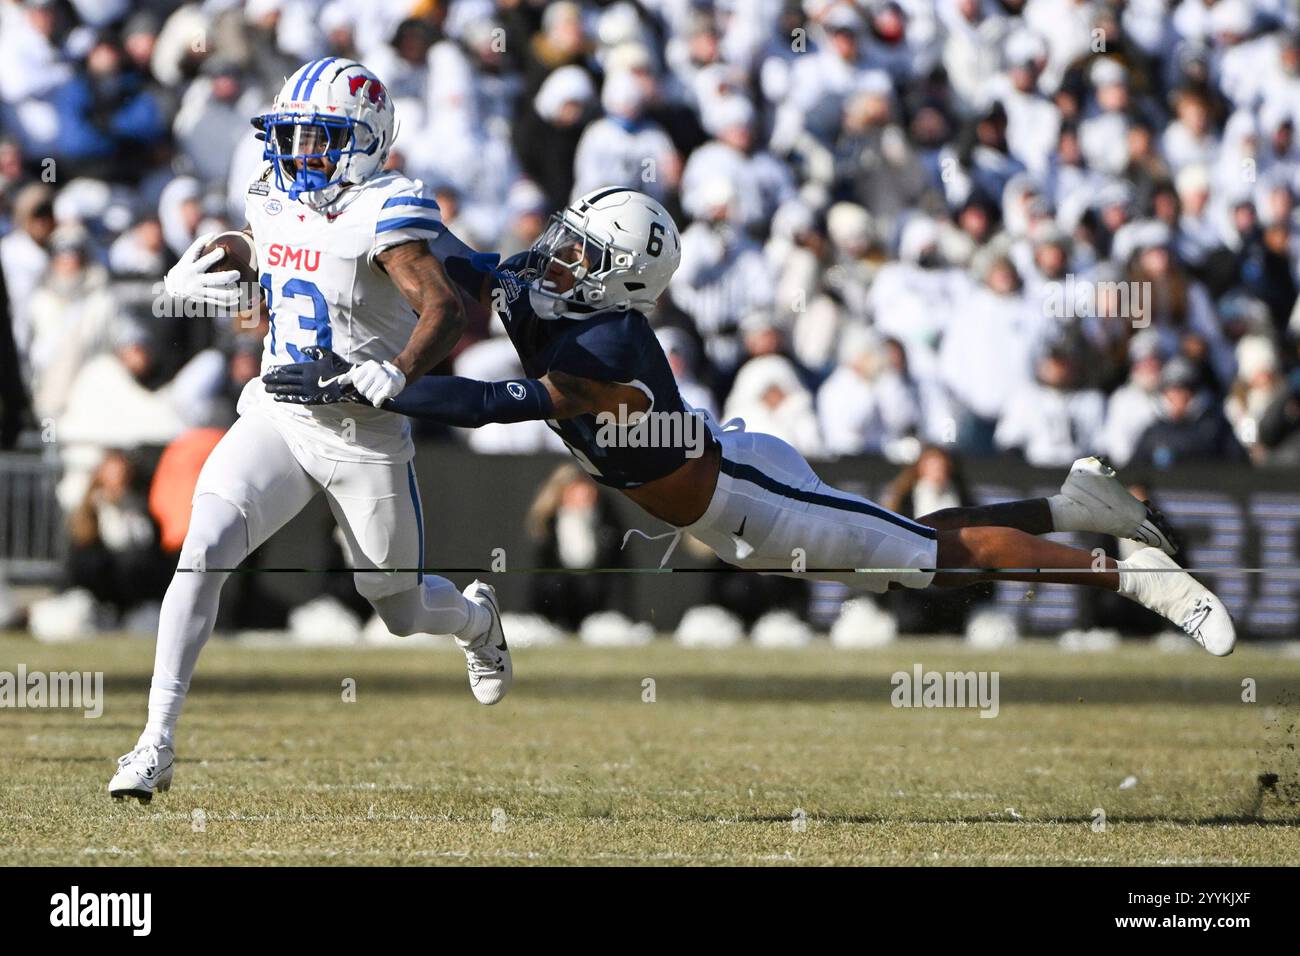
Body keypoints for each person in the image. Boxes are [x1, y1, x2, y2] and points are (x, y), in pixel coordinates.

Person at [266, 187, 1238, 669]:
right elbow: (466, 268)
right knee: (912, 545)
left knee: (934, 559)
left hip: (747, 499)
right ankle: (1074, 499)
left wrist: (380, 386)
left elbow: (488, 404)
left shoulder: (608, 348)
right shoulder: (550, 279)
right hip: (722, 483)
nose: (554, 257)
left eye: (580, 253)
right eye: (569, 239)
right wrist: (384, 216)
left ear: (618, 281)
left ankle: (1123, 569)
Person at [108, 60, 511, 804]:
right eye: (288, 136)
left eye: (316, 139)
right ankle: (154, 743)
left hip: (365, 435)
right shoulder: (274, 190)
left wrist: (394, 371)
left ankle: (477, 620)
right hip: (280, 414)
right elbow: (257, 245)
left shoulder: (387, 208)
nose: (297, 153)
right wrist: (202, 263)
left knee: (399, 608)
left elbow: (446, 308)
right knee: (202, 554)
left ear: (362, 143)